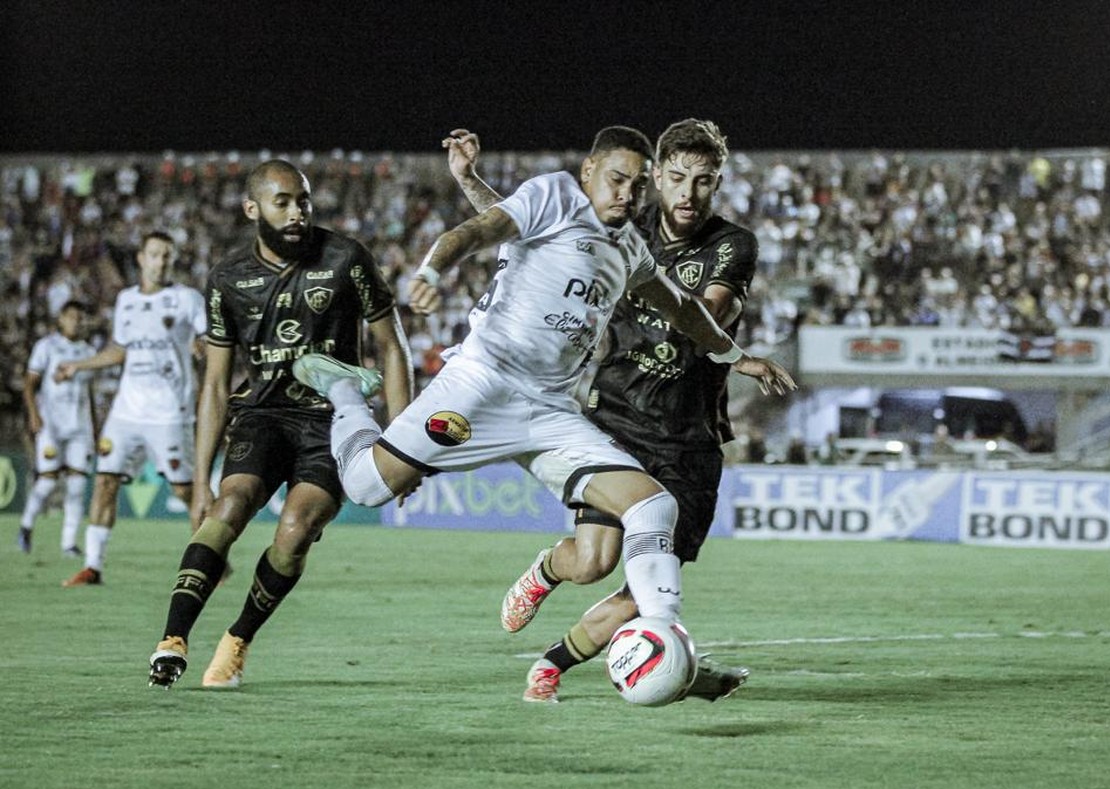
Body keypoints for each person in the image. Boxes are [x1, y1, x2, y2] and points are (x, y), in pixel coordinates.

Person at [290, 126, 795, 694]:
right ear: (588, 174)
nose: (626, 194)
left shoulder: (630, 245)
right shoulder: (555, 193)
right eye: (616, 180)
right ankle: (345, 393)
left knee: (653, 507)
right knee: (363, 487)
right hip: (482, 386)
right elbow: (480, 229)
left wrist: (735, 354)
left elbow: (682, 309)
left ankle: (662, 639)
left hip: (553, 408)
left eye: (634, 185)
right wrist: (432, 271)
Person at [444, 121, 769, 702]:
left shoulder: (731, 245)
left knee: (645, 591)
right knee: (592, 562)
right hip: (615, 422)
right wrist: (471, 181)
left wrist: (613, 279)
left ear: (717, 183)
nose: (688, 194)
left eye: (703, 181)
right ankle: (549, 570)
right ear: (655, 178)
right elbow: (528, 233)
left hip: (688, 439)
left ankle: (553, 663)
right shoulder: (618, 221)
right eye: (675, 179)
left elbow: (705, 313)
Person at [147, 159, 413, 689]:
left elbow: (391, 344)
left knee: (295, 531)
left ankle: (238, 639)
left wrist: (403, 444)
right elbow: (216, 382)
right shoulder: (227, 278)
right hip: (261, 415)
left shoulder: (345, 259)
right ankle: (172, 640)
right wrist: (199, 479)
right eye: (283, 202)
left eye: (304, 201)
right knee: (228, 505)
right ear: (253, 209)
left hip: (331, 424)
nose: (297, 213)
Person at [56, 232, 206, 586]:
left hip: (169, 413)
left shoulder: (186, 299)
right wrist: (79, 366)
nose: (161, 261)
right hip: (125, 413)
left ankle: (210, 561)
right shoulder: (126, 301)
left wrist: (202, 347)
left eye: (167, 255)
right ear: (141, 258)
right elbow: (120, 350)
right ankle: (92, 566)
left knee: (184, 491)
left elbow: (208, 339)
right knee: (105, 481)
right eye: (155, 254)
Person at [16, 300, 97, 557]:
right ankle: (26, 526)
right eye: (73, 316)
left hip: (78, 427)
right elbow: (29, 383)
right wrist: (34, 415)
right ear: (61, 318)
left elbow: (90, 393)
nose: (77, 321)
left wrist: (94, 427)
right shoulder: (46, 347)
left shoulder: (87, 351)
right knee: (48, 481)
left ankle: (68, 543)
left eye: (81, 317)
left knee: (76, 485)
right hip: (51, 424)